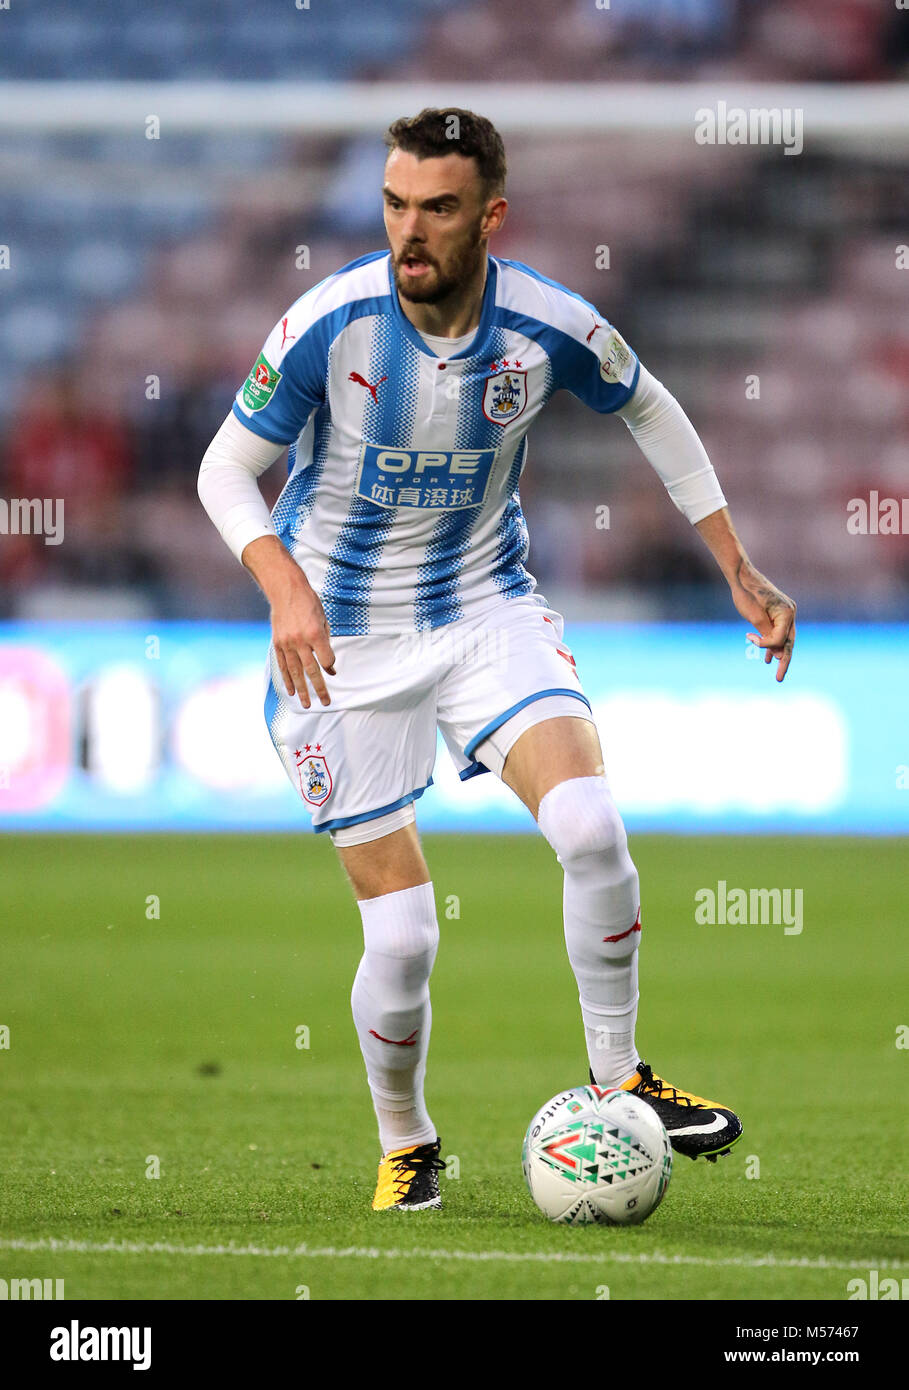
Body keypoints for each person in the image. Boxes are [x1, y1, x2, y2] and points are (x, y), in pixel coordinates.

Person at [198, 109, 796, 1212]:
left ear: (491, 216)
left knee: (591, 827)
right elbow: (225, 469)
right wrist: (282, 582)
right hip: (343, 644)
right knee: (407, 935)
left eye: (436, 208)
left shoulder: (545, 324)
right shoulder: (331, 323)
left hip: (484, 610)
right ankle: (407, 1138)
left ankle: (619, 1072)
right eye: (394, 204)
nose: (408, 231)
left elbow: (652, 408)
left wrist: (737, 567)